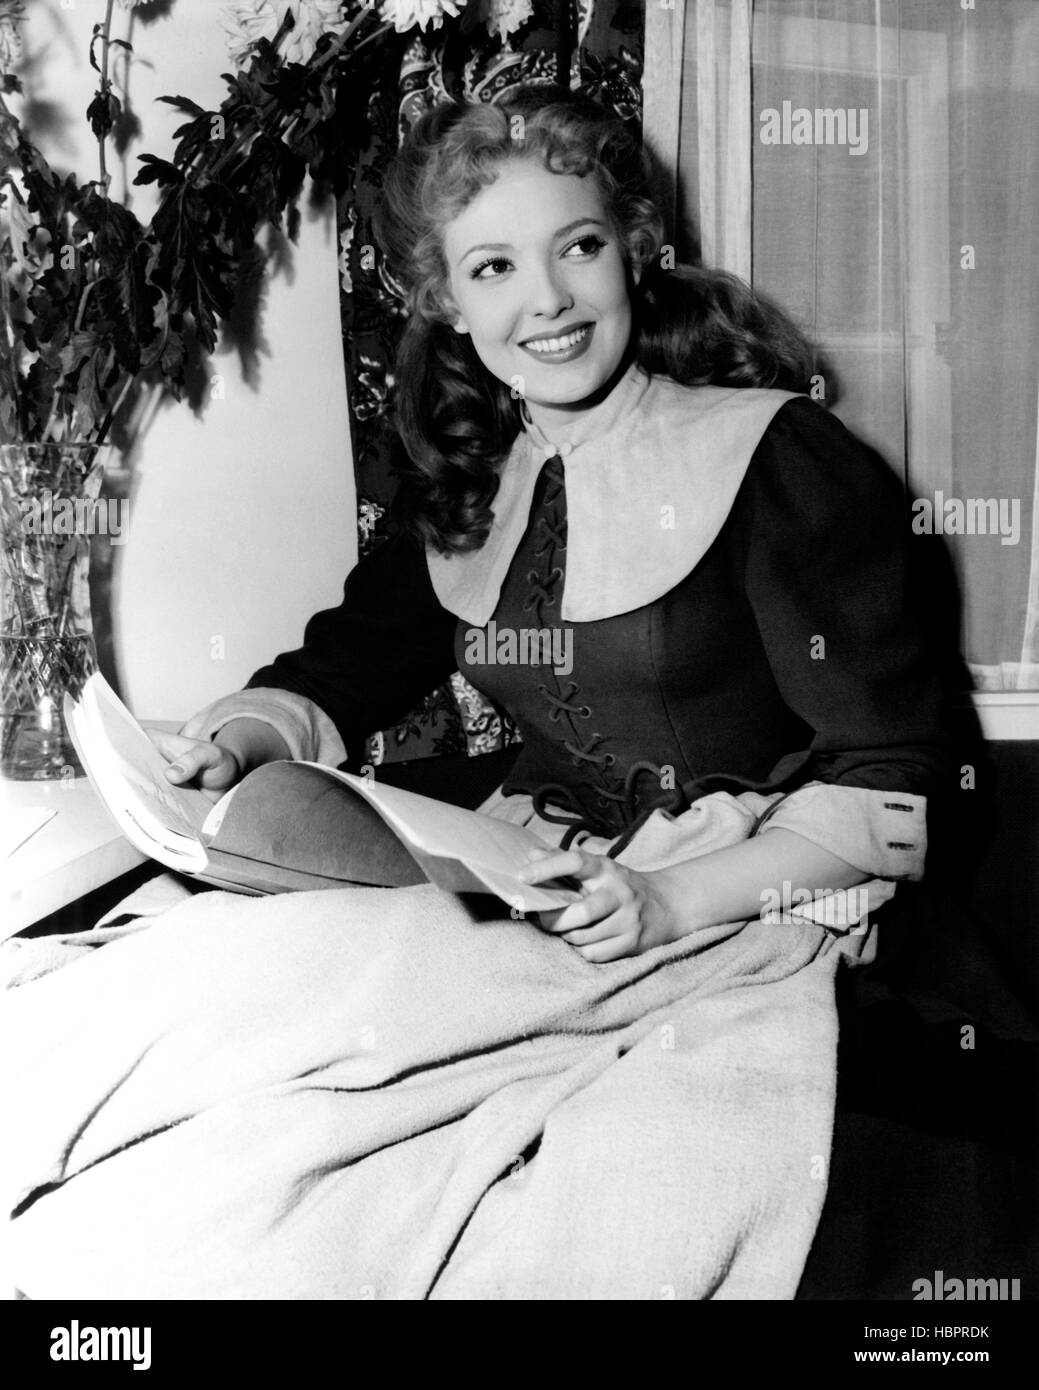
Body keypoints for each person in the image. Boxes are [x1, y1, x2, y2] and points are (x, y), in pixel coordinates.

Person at [154, 84, 954, 959]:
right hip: (544, 880)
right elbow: (342, 673)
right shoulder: (477, 480)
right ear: (448, 304)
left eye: (578, 247)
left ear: (635, 253)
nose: (548, 301)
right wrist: (235, 748)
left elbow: (894, 777)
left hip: (750, 902)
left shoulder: (778, 457)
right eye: (493, 267)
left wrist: (670, 901)